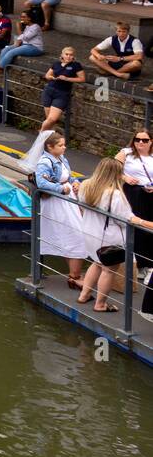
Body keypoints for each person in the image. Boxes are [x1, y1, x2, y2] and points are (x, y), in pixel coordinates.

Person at [75, 158, 153, 312]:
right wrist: (146, 223)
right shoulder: (115, 195)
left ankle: (84, 295)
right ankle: (100, 304)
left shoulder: (85, 186)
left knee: (97, 262)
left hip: (90, 231)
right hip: (109, 237)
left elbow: (81, 207)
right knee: (108, 269)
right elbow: (128, 219)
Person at [35, 132, 87, 290]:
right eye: (61, 145)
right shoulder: (45, 161)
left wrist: (75, 182)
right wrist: (61, 188)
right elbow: (41, 182)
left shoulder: (62, 159)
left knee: (74, 234)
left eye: (64, 144)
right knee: (77, 234)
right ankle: (74, 277)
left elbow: (68, 177)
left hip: (68, 200)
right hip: (57, 202)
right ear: (50, 147)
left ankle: (74, 275)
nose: (64, 147)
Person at [116, 131, 153, 318]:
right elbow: (112, 168)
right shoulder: (126, 153)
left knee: (149, 230)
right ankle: (137, 263)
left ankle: (146, 263)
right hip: (133, 193)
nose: (140, 142)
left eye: (144, 140)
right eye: (137, 139)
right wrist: (125, 178)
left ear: (150, 142)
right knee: (136, 227)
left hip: (150, 195)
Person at [40, 46, 85, 134]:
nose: (68, 56)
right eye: (66, 54)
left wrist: (67, 79)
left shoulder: (76, 65)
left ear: (73, 56)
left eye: (71, 55)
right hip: (49, 90)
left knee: (52, 119)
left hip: (62, 93)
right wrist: (51, 77)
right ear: (62, 55)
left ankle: (40, 135)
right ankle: (50, 139)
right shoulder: (56, 63)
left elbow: (82, 79)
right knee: (49, 120)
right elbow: (47, 75)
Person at [0, 11, 43, 77]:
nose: (22, 19)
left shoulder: (35, 27)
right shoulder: (27, 26)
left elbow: (25, 37)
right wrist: (17, 42)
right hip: (25, 45)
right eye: (21, 17)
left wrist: (18, 27)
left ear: (29, 18)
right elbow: (22, 38)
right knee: (5, 49)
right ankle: (0, 68)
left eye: (24, 17)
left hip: (35, 47)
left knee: (12, 52)